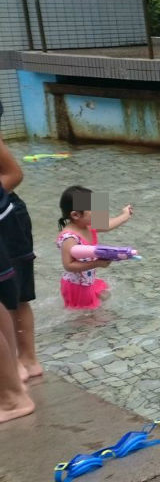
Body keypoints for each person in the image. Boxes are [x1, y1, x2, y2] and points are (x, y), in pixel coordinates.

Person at [0, 129, 35, 423]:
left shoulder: (84, 234)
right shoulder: (71, 237)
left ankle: (26, 362)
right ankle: (22, 364)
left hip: (91, 286)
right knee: (13, 298)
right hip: (79, 289)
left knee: (17, 297)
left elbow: (105, 224)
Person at [56, 185, 134, 309]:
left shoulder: (87, 224)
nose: (99, 211)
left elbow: (107, 224)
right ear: (76, 215)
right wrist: (97, 263)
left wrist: (125, 215)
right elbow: (68, 265)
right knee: (90, 321)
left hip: (88, 281)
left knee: (105, 299)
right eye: (94, 208)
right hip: (77, 287)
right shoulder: (69, 238)